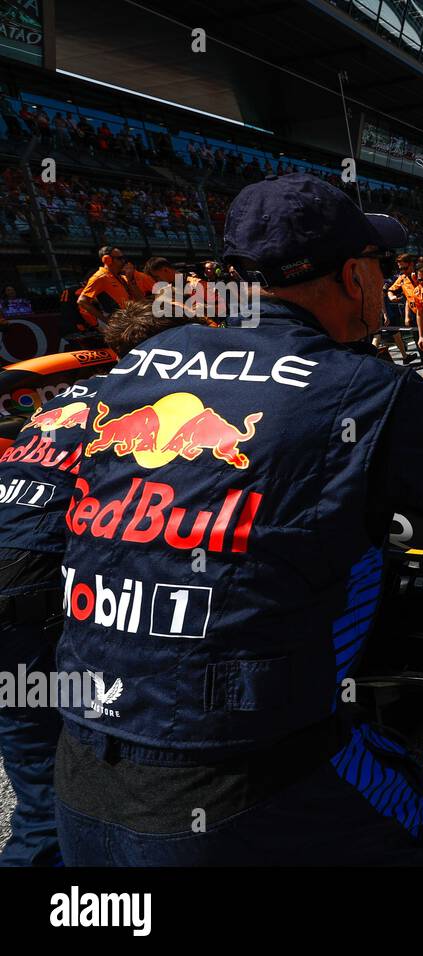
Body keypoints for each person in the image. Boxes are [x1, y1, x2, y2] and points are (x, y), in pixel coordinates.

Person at [51, 173, 423, 867]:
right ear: (353, 275)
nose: (387, 282)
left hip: (78, 770)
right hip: (245, 782)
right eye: (382, 266)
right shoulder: (366, 389)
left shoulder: (139, 366)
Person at [0, 299, 198, 866]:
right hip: (39, 597)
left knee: (39, 793)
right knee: (130, 782)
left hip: (12, 588)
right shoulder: (156, 405)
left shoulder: (65, 399)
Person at [76, 246, 132, 330]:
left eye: (123, 258)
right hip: (120, 325)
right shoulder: (100, 277)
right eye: (119, 258)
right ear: (107, 259)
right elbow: (82, 301)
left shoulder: (120, 277)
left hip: (129, 319)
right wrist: (106, 321)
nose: (123, 261)